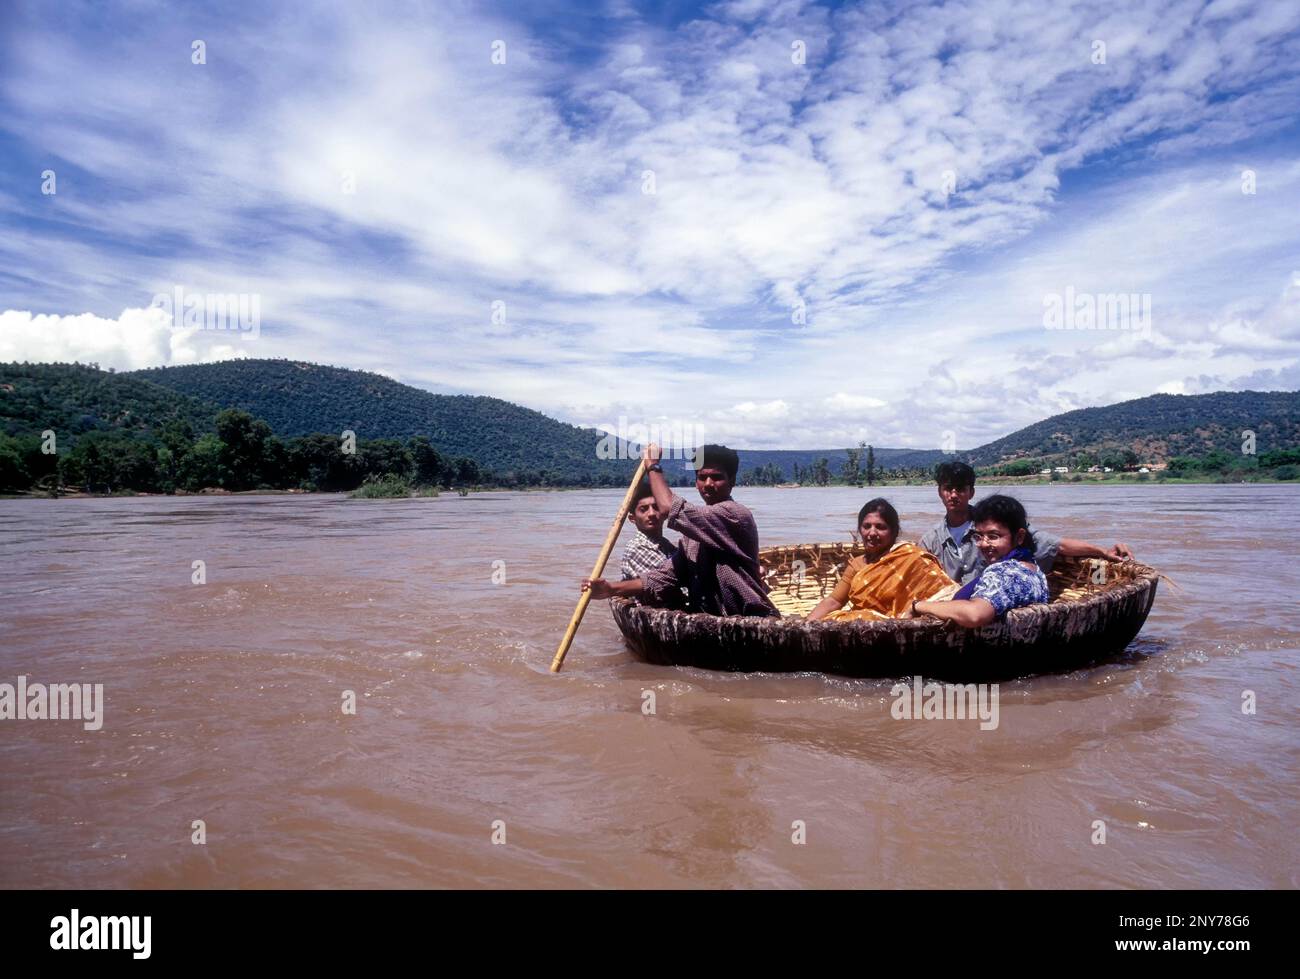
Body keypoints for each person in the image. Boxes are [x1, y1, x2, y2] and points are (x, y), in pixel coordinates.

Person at [581, 443, 779, 617]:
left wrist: (653, 465)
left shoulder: (734, 514)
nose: (708, 484)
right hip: (711, 623)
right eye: (702, 477)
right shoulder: (692, 538)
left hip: (750, 618)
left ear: (732, 481)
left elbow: (668, 508)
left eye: (717, 477)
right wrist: (611, 589)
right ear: (696, 482)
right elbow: (663, 577)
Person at [919, 460, 1134, 584]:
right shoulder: (930, 541)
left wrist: (1102, 552)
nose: (953, 495)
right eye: (948, 489)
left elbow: (1055, 545)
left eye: (960, 489)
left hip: (993, 607)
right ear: (940, 492)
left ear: (971, 492)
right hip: (958, 611)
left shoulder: (999, 524)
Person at [805, 498, 956, 622]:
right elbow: (834, 601)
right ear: (859, 530)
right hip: (867, 628)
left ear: (894, 531)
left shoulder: (911, 557)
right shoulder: (857, 564)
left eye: (880, 527)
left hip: (906, 625)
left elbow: (942, 594)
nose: (872, 533)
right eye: (866, 526)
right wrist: (807, 624)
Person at [913, 494, 1050, 627]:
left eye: (993, 536)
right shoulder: (1034, 569)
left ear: (1019, 537)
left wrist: (917, 605)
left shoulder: (1005, 573)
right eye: (978, 536)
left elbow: (975, 614)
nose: (983, 544)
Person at [620, 479, 677, 580]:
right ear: (632, 518)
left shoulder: (664, 544)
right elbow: (670, 582)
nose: (651, 514)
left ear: (665, 513)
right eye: (643, 509)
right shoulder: (637, 548)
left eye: (656, 507)